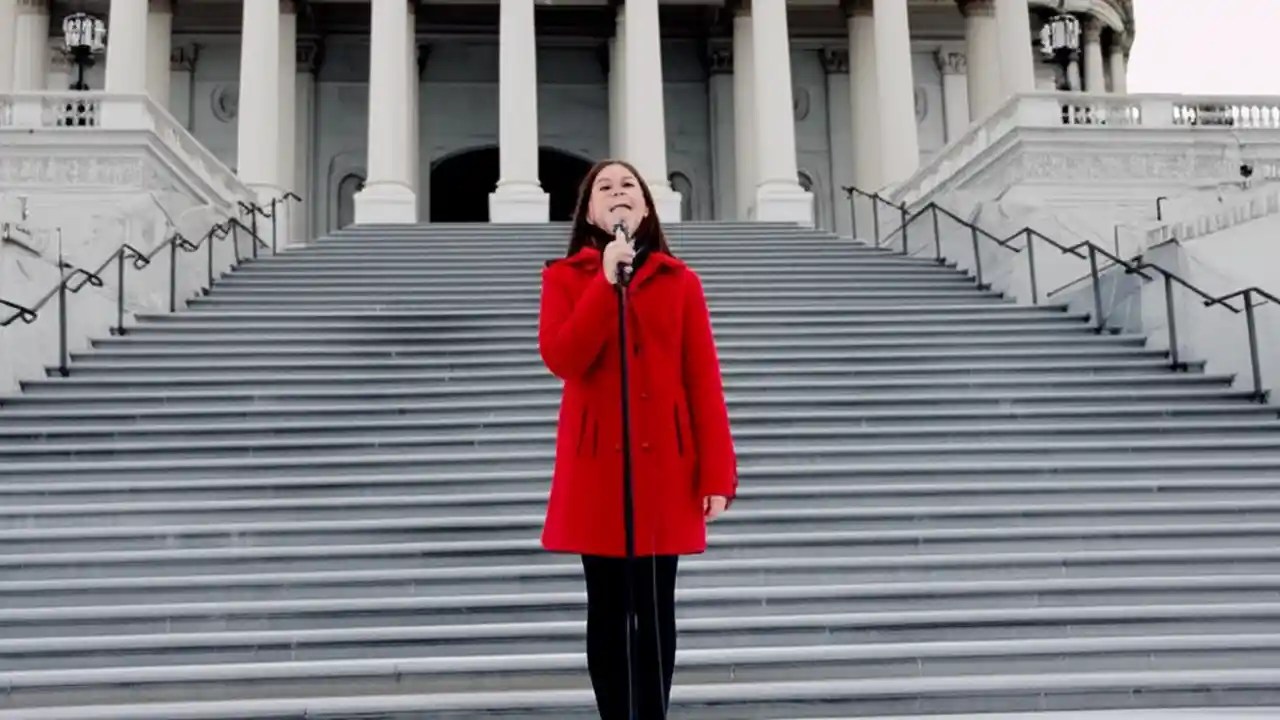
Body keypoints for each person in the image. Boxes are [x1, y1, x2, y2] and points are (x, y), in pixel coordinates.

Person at [537, 159, 738, 720]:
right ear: (590, 212)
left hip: (664, 467)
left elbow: (703, 380)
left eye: (629, 185)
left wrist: (717, 473)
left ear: (646, 208)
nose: (618, 192)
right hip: (597, 466)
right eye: (605, 187)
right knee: (606, 609)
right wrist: (604, 282)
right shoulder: (564, 279)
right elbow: (563, 356)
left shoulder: (681, 282)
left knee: (654, 611)